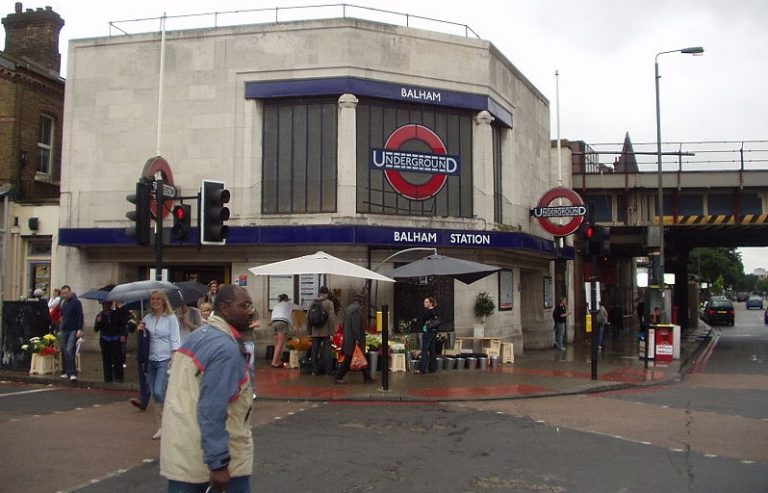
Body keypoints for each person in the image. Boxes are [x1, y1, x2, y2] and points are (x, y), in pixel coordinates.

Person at [160, 284, 255, 493]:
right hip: (220, 460)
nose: (251, 311)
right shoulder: (225, 349)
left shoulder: (201, 335)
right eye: (244, 305)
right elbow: (213, 408)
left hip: (184, 450)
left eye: (250, 305)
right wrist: (218, 463)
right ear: (224, 308)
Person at [137, 290, 181, 439]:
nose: (155, 301)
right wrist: (140, 330)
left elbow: (175, 338)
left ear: (163, 301)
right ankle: (162, 426)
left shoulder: (170, 318)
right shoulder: (147, 318)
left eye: (158, 299)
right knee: (155, 394)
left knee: (158, 391)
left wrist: (174, 355)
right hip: (151, 358)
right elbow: (143, 339)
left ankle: (170, 422)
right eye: (153, 299)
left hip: (165, 358)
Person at [334, 293, 374, 384]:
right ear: (360, 301)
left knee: (358, 357)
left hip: (348, 338)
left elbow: (344, 323)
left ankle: (367, 377)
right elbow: (355, 325)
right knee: (350, 358)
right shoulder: (357, 309)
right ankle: (339, 376)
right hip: (353, 339)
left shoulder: (349, 308)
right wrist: (357, 338)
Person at [93, 300, 127, 382]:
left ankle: (118, 377)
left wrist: (123, 335)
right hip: (105, 339)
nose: (106, 306)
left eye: (108, 304)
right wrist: (98, 322)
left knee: (118, 359)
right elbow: (96, 329)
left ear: (111, 304)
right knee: (106, 359)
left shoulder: (116, 313)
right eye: (104, 304)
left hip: (116, 338)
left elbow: (122, 324)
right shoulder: (100, 315)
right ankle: (108, 378)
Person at [309, 286, 337, 376]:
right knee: (327, 352)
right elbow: (332, 318)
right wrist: (332, 332)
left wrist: (309, 331)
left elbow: (308, 317)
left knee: (314, 351)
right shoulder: (329, 303)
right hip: (326, 332)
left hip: (315, 331)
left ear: (319, 293)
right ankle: (328, 372)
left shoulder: (313, 302)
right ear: (326, 294)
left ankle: (314, 371)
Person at [58, 285, 84, 381]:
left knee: (69, 349)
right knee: (65, 351)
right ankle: (66, 371)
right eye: (62, 293)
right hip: (64, 329)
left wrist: (80, 329)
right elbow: (62, 315)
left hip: (73, 329)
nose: (64, 295)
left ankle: (72, 372)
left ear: (70, 292)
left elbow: (80, 315)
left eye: (65, 293)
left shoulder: (76, 302)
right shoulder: (63, 303)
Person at [270, 293, 300, 368]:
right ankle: (274, 362)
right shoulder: (288, 304)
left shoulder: (276, 305)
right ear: (286, 299)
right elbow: (299, 308)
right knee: (280, 344)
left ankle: (278, 361)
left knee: (277, 344)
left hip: (274, 323)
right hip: (282, 323)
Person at [417, 296, 440, 374]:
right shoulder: (435, 311)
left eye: (426, 302)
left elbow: (423, 322)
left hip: (427, 332)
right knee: (432, 350)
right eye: (424, 302)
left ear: (430, 303)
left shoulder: (428, 312)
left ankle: (422, 369)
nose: (424, 303)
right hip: (434, 333)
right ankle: (433, 368)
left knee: (424, 350)